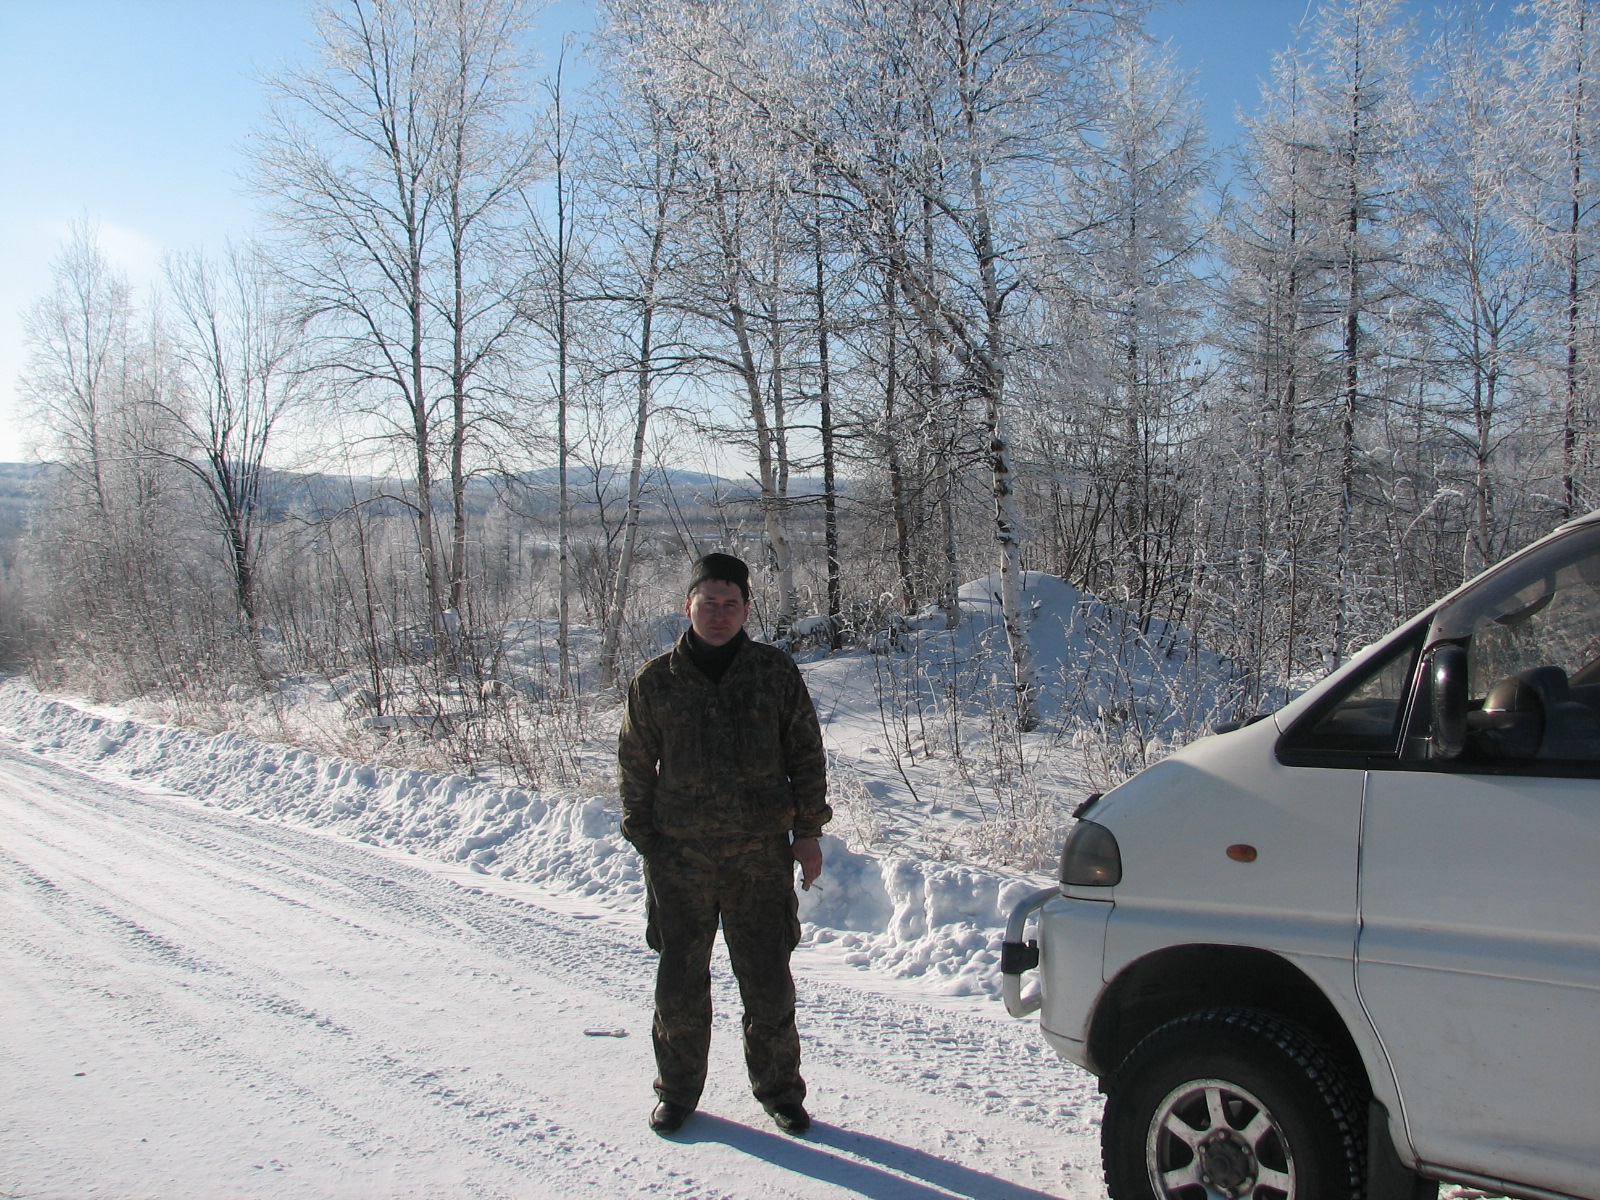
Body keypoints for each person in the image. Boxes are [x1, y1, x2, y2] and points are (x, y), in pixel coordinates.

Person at [617, 552, 830, 1137]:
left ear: (746, 608)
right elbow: (634, 764)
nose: (718, 614)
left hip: (759, 858)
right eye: (708, 603)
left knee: (768, 983)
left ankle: (780, 1091)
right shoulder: (656, 681)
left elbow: (806, 755)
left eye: (730, 604)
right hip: (680, 860)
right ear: (688, 605)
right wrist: (648, 839)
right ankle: (677, 1092)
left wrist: (808, 832)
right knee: (679, 984)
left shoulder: (773, 673)